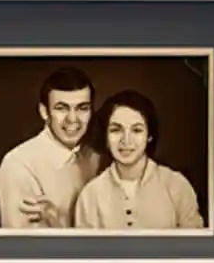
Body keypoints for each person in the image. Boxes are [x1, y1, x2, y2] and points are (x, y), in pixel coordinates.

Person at [73, 89, 204, 229]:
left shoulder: (176, 185)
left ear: (149, 136)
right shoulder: (90, 195)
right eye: (116, 130)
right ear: (105, 136)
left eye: (136, 130)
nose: (126, 140)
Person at [0, 67, 100, 228]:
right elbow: (26, 248)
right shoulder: (19, 164)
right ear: (44, 112)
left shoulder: (94, 157)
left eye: (82, 108)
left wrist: (57, 221)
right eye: (61, 108)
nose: (73, 119)